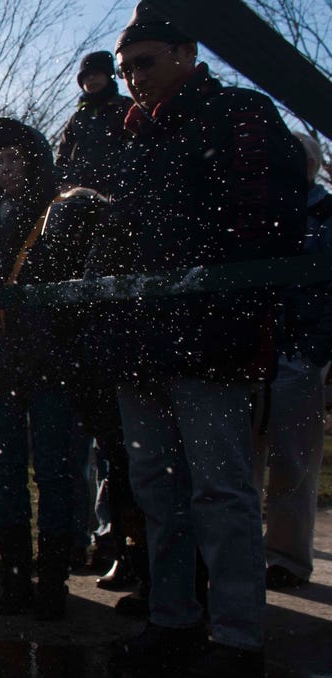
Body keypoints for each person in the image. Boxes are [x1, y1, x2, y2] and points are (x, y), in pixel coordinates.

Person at [89, 5, 307, 675]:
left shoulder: (240, 116)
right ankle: (174, 618)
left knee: (219, 489)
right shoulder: (135, 137)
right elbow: (124, 237)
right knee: (157, 488)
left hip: (211, 337)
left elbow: (271, 224)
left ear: (187, 53)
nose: (133, 80)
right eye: (124, 70)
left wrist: (224, 312)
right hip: (145, 339)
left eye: (144, 63)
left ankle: (238, 638)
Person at [0, 118, 75, 620]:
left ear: (33, 162)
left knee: (54, 472)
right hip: (2, 366)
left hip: (50, 362)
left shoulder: (61, 213)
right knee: (6, 476)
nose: (6, 169)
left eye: (14, 159)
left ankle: (53, 582)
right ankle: (15, 580)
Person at [251, 131, 332, 590]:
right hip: (253, 351)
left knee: (293, 464)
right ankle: (244, 553)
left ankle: (285, 559)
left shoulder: (325, 214)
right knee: (241, 461)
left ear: (312, 164)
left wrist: (316, 352)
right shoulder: (259, 213)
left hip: (300, 352)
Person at [55, 51, 134, 196]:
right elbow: (63, 156)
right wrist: (63, 182)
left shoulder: (126, 108)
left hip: (120, 190)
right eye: (85, 76)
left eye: (96, 73)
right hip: (79, 191)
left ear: (109, 75)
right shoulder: (77, 118)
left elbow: (139, 148)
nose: (90, 79)